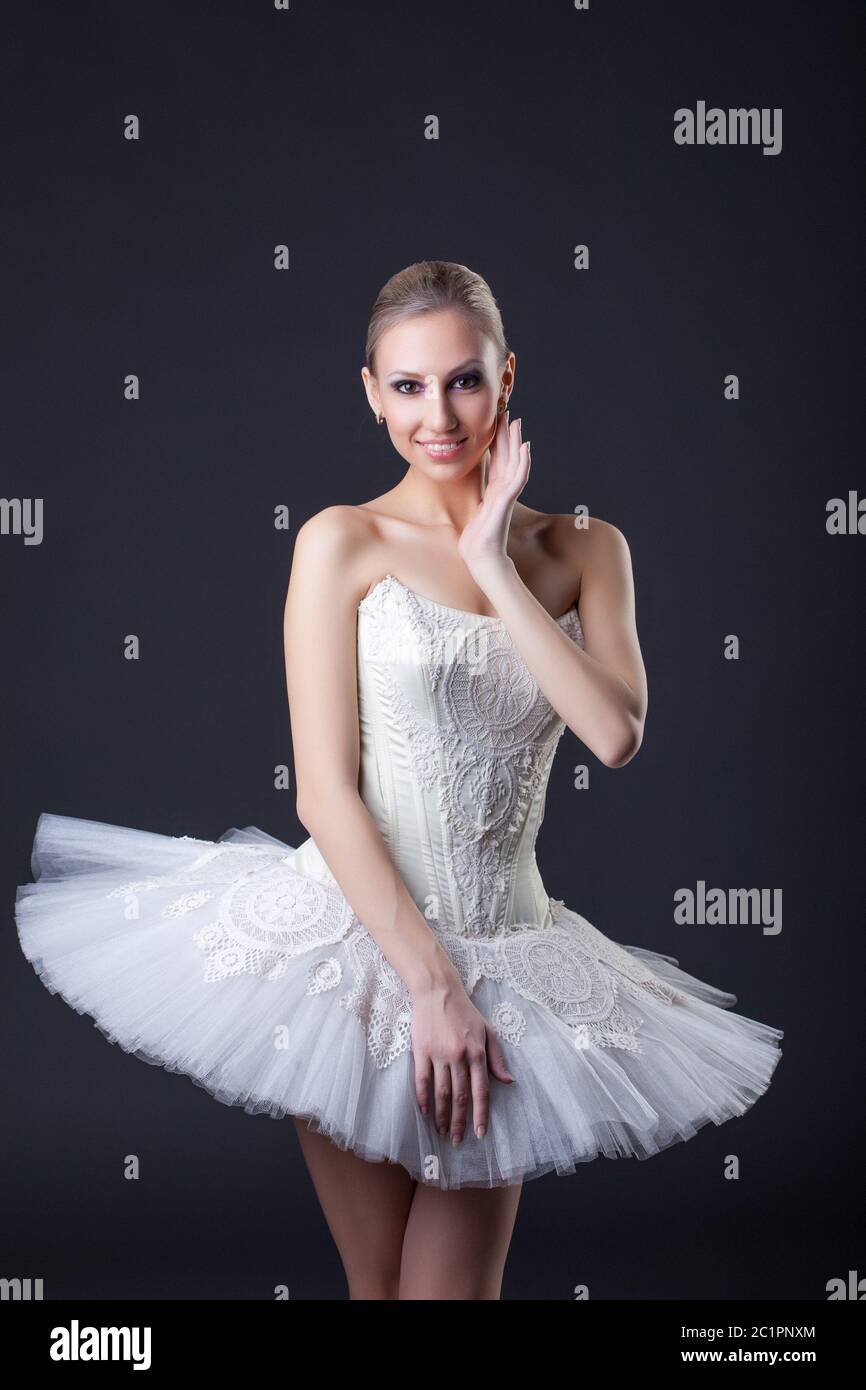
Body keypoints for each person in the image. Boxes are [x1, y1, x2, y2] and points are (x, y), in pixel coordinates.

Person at [15, 260, 783, 1300]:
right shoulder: (340, 541)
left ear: (505, 379)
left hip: (510, 956)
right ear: (371, 392)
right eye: (408, 387)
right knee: (376, 1291)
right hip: (347, 944)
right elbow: (321, 789)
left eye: (462, 380)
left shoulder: (585, 549)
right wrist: (429, 985)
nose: (439, 415)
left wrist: (494, 562)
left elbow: (611, 734)